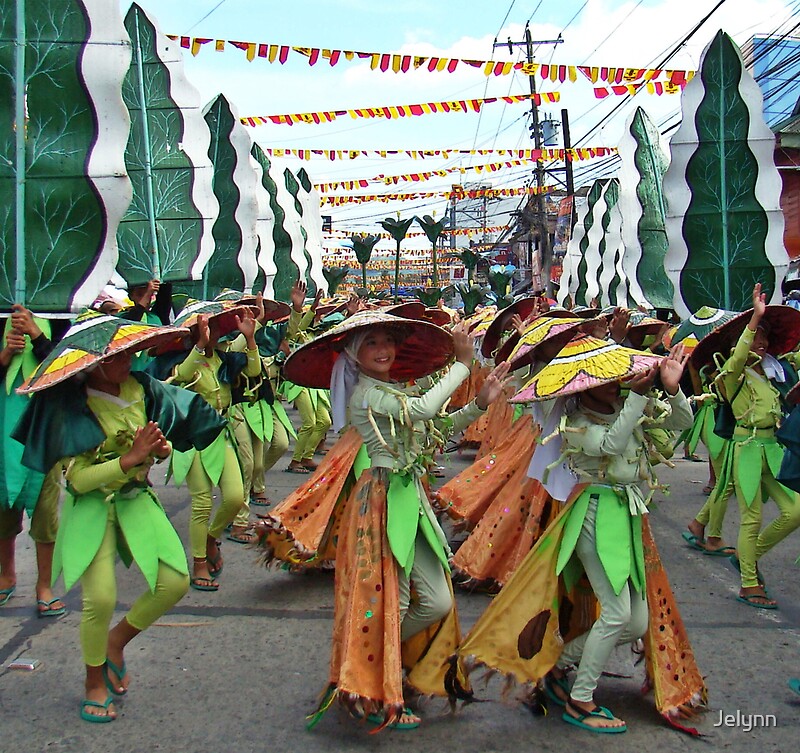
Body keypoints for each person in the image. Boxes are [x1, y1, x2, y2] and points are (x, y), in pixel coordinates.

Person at [456, 336, 704, 734]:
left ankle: (556, 665)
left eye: (615, 377)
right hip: (594, 512)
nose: (614, 383)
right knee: (619, 611)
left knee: (637, 621)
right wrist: (639, 399)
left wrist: (672, 391)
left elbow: (683, 424)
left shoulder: (627, 405)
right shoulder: (575, 423)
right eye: (602, 379)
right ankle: (581, 698)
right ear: (581, 387)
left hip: (626, 514)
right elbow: (611, 445)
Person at [289, 311, 511, 730]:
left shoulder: (392, 391)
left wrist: (479, 403)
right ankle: (378, 684)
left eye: (388, 341)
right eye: (372, 342)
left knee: (438, 601)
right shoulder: (368, 397)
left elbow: (436, 430)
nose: (383, 349)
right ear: (355, 353)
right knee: (396, 602)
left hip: (410, 501)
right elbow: (427, 409)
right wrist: (463, 363)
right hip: (380, 500)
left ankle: (386, 667)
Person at [12, 314, 226, 722]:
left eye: (130, 353)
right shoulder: (68, 403)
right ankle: (93, 681)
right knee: (101, 597)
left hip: (134, 499)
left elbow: (156, 443)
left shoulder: (142, 388)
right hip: (91, 507)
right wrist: (129, 459)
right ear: (92, 362)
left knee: (175, 581)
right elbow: (76, 482)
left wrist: (159, 450)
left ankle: (116, 641)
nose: (128, 361)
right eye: (117, 357)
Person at [709, 285, 800, 608]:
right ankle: (749, 583)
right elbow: (735, 363)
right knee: (752, 517)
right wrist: (754, 319)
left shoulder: (776, 370)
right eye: (753, 337)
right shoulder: (732, 375)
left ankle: (749, 556)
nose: (759, 343)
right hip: (745, 448)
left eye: (763, 337)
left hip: (772, 448)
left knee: (795, 511)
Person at [167, 304, 261, 591]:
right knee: (203, 501)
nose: (217, 331)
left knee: (233, 497)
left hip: (222, 435)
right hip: (193, 438)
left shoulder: (224, 360)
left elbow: (254, 369)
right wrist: (199, 345)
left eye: (218, 327)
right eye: (211, 326)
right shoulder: (185, 359)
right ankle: (198, 563)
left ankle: (211, 538)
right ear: (196, 331)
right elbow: (182, 375)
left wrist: (251, 338)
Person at [0, 305, 64, 615]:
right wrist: (4, 357)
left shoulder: (59, 316)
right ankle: (6, 574)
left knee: (45, 512)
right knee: (3, 508)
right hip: (4, 430)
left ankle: (44, 585)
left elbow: (66, 370)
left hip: (44, 432)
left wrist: (37, 336)